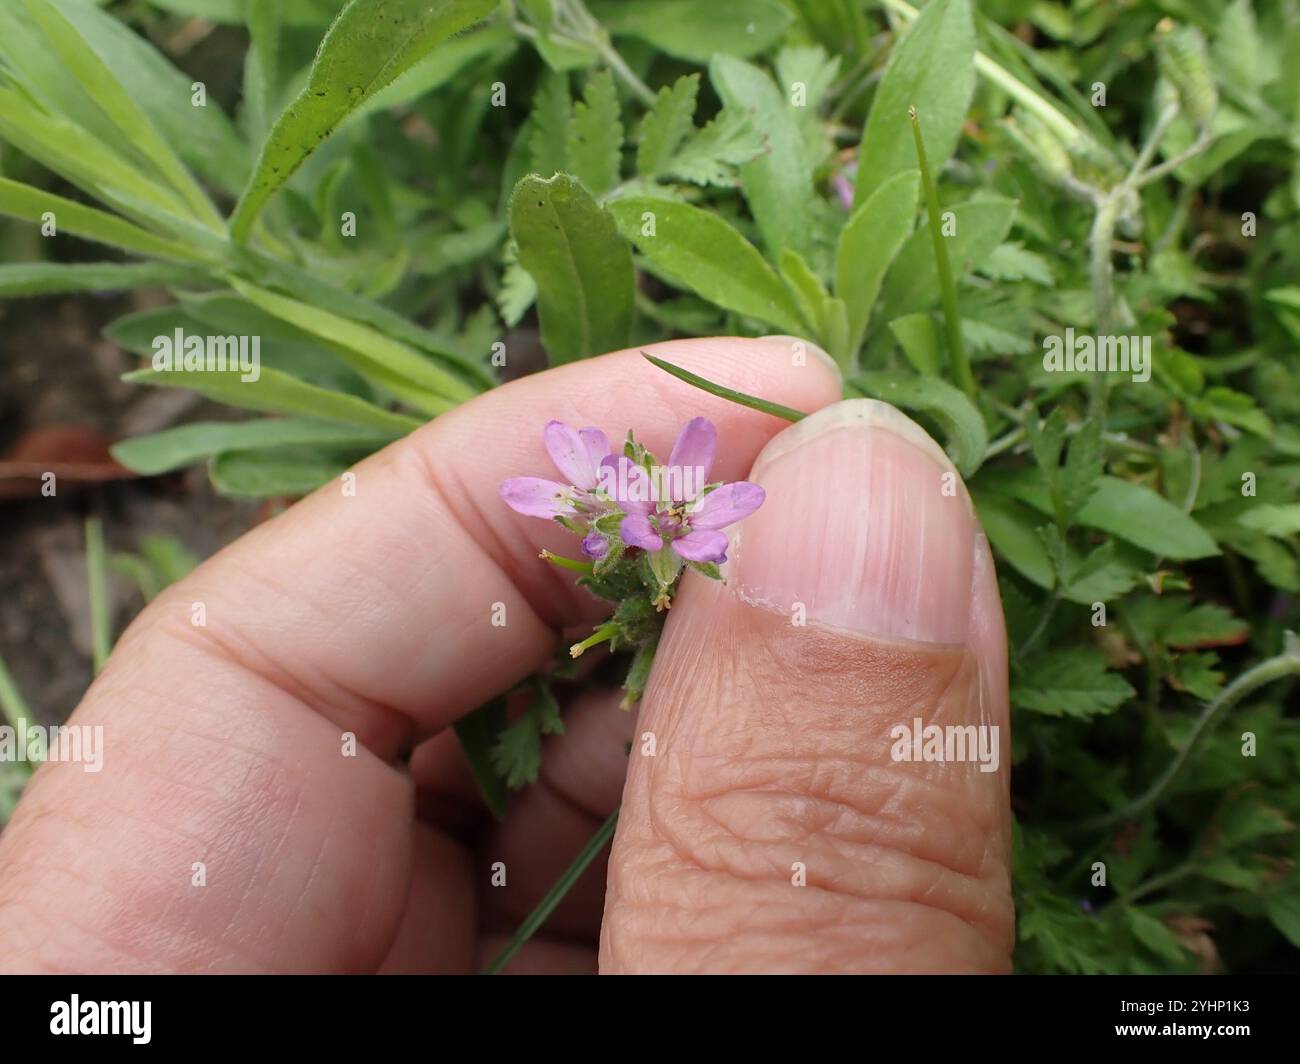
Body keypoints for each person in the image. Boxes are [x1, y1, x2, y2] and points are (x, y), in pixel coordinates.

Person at [0, 338, 1012, 974]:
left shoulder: (676, 522)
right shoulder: (631, 532)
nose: (646, 507)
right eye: (636, 504)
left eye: (653, 503)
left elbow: (712, 497)